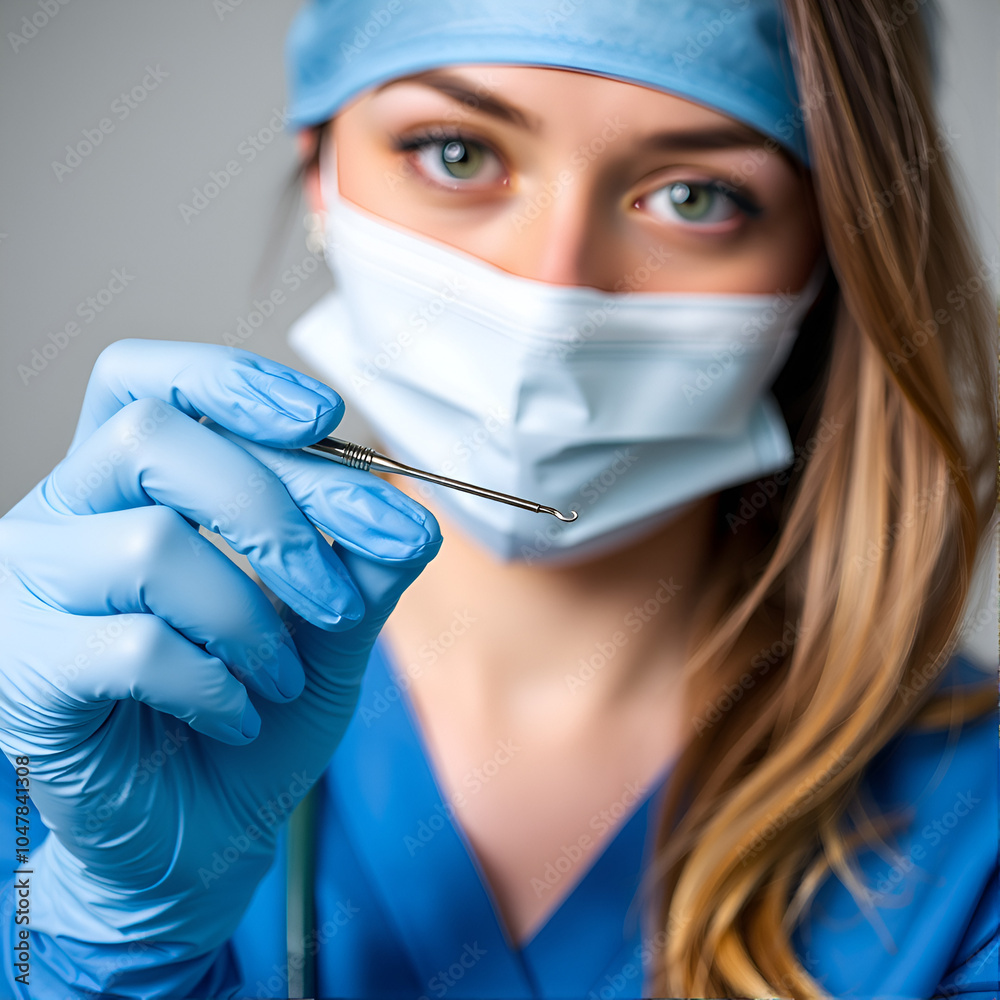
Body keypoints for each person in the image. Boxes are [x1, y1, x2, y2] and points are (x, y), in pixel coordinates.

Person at [0, 0, 996, 997]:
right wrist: (110, 950)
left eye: (693, 195)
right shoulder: (77, 722)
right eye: (458, 154)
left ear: (824, 253)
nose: (552, 290)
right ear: (320, 170)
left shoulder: (969, 831)